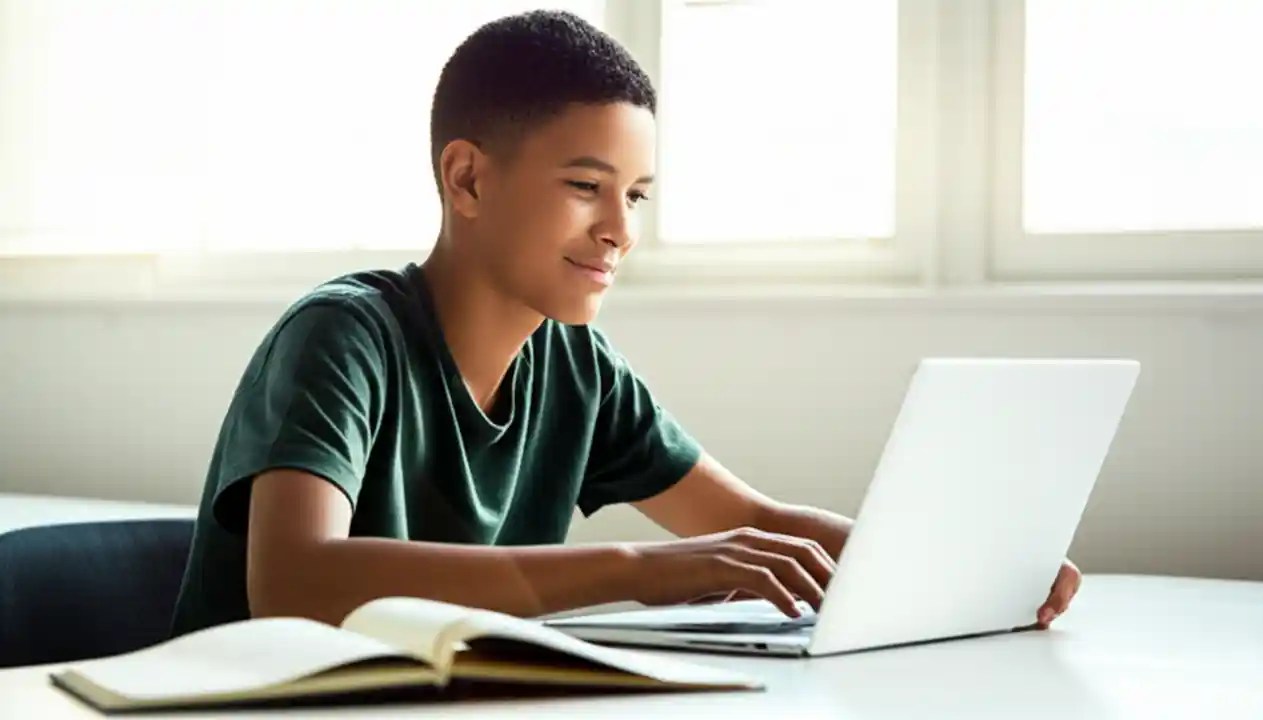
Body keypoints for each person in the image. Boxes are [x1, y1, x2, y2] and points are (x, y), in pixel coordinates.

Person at [171, 10, 1080, 636]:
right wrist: (642, 571)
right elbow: (292, 583)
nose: (620, 230)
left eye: (636, 195)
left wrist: (977, 564)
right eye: (584, 187)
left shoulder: (577, 368)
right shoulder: (342, 338)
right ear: (469, 179)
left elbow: (753, 525)